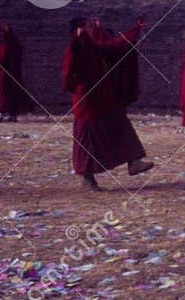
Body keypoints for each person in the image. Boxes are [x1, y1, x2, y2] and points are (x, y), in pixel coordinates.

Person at [62, 15, 154, 191]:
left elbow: (116, 46)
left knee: (121, 126)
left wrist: (135, 31)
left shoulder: (96, 48)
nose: (88, 31)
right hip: (87, 102)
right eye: (84, 28)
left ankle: (133, 162)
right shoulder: (75, 49)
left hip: (104, 98)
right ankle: (87, 178)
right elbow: (70, 77)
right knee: (87, 139)